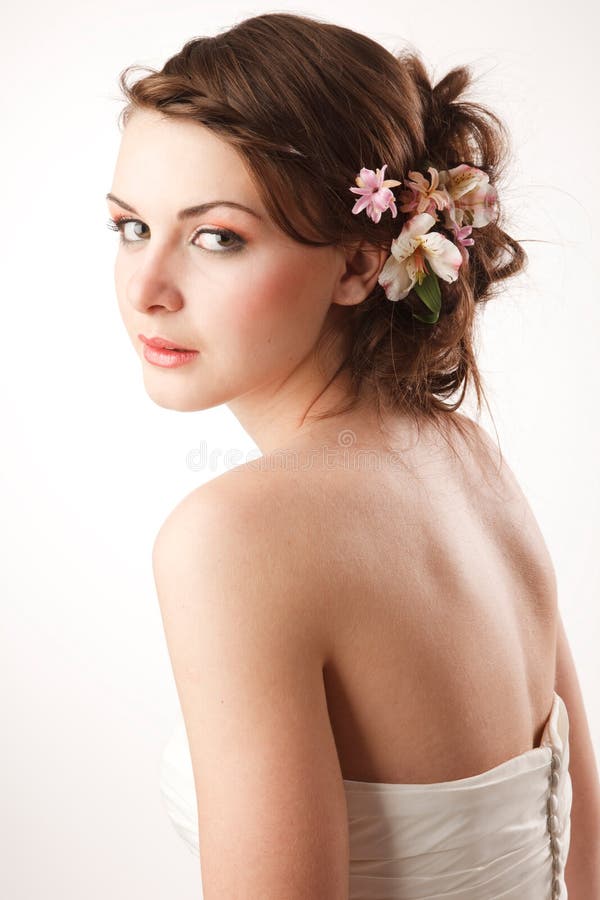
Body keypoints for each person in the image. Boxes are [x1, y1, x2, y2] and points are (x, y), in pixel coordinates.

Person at [105, 12, 600, 898]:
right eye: (131, 226)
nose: (147, 289)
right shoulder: (467, 458)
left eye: (217, 236)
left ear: (362, 261)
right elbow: (588, 860)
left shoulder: (235, 535)